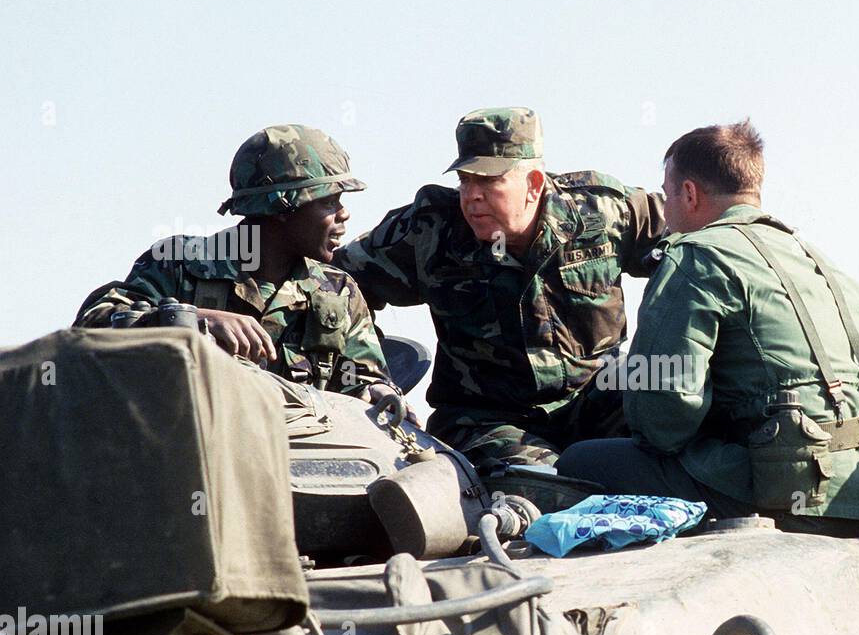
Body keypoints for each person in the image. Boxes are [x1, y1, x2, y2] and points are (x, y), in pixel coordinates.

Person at [557, 121, 859, 538]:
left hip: (782, 495)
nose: (665, 210)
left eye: (666, 196)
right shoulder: (819, 263)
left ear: (689, 194)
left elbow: (666, 412)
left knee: (578, 463)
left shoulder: (696, 255)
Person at [333, 107, 666, 473]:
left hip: (598, 397)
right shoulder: (430, 230)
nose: (472, 196)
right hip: (488, 420)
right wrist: (368, 375)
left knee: (684, 421)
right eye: (465, 180)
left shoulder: (603, 211)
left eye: (489, 182)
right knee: (545, 486)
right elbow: (334, 284)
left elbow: (702, 239)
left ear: (534, 184)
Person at [76, 124, 396, 402]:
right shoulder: (181, 264)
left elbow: (360, 383)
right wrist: (189, 321)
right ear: (284, 207)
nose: (344, 215)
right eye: (329, 201)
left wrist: (378, 392)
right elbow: (92, 329)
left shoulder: (337, 291)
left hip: (300, 461)